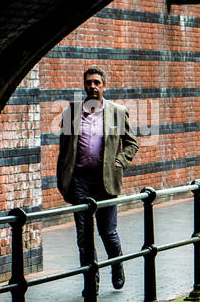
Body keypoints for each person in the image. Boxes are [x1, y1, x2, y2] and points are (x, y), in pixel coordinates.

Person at [56, 66, 138, 289]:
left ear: (104, 86)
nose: (92, 86)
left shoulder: (117, 112)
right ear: (84, 85)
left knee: (107, 232)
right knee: (84, 236)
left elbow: (132, 143)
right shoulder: (71, 113)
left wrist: (121, 161)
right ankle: (90, 281)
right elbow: (64, 150)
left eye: (96, 83)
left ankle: (117, 264)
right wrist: (63, 179)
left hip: (105, 180)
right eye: (88, 82)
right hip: (80, 180)